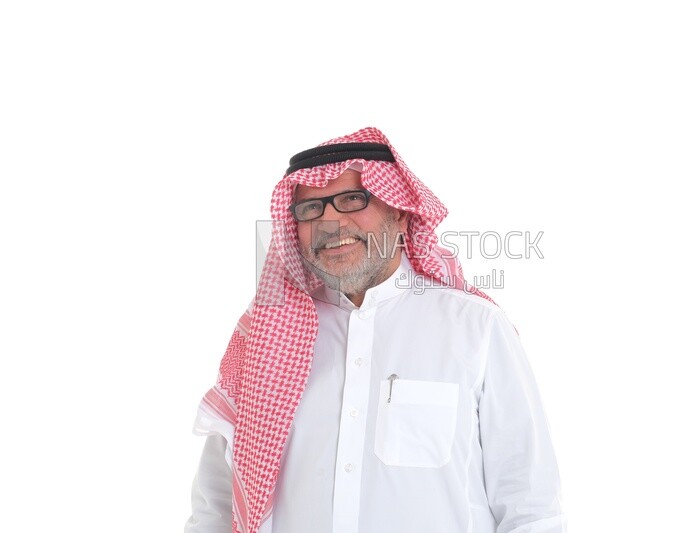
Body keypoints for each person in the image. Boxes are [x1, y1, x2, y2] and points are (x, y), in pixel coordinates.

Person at [185, 127, 565, 533]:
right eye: (311, 209)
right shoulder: (263, 339)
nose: (330, 219)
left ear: (400, 213)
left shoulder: (476, 329)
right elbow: (217, 505)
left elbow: (530, 506)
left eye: (353, 199)